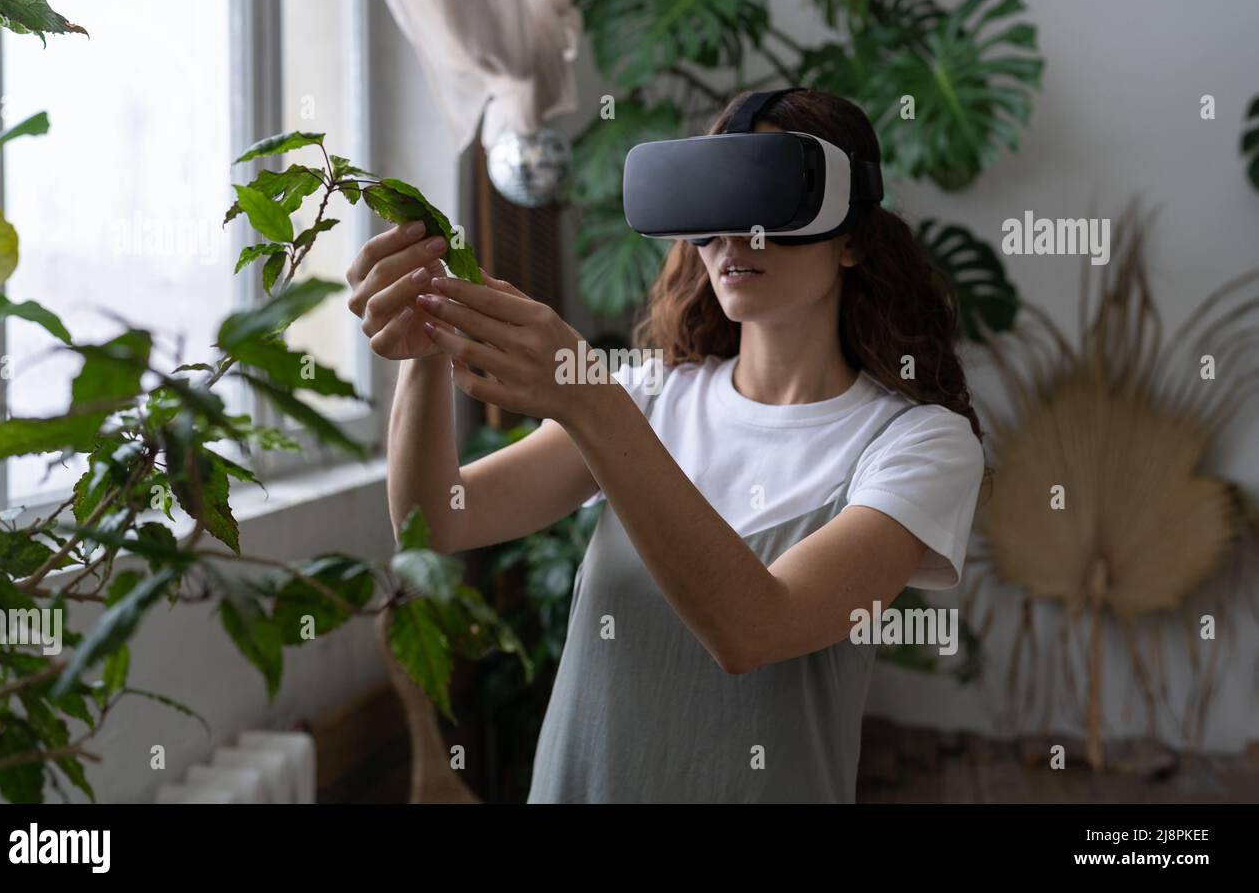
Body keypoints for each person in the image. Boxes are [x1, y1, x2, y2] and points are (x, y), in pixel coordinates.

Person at [344, 88, 985, 803]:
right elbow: (437, 521)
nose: (731, 236)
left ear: (854, 238)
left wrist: (590, 402)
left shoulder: (916, 442)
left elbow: (752, 628)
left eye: (766, 198)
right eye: (708, 206)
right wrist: (426, 341)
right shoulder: (650, 393)